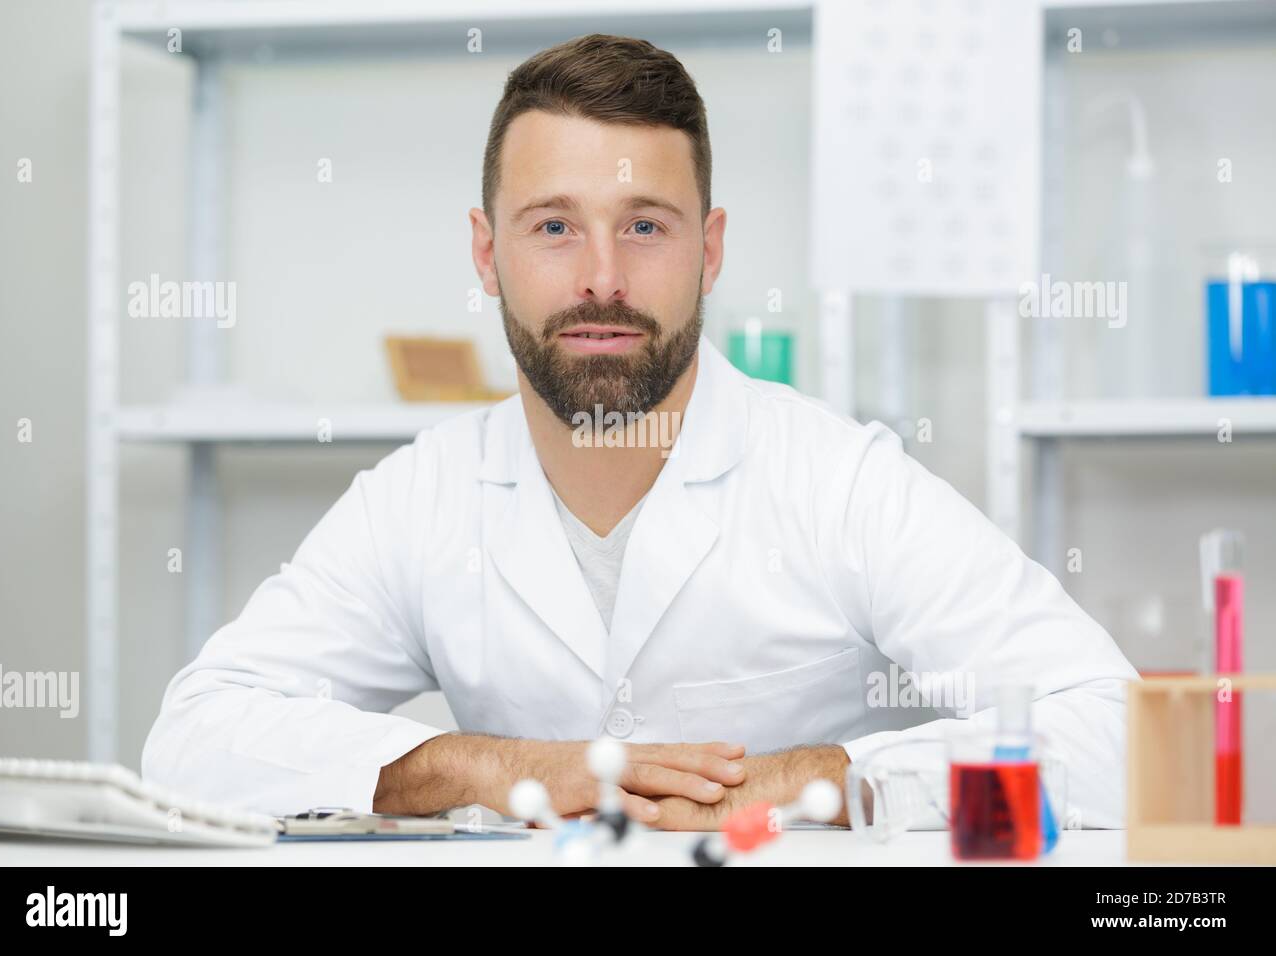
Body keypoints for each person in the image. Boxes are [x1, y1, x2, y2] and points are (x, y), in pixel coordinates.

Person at [143, 34, 1138, 830]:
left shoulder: (838, 482)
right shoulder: (423, 496)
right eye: (554, 225)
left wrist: (831, 778)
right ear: (486, 255)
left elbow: (1117, 730)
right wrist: (469, 761)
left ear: (709, 251)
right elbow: (192, 736)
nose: (602, 278)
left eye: (646, 225)